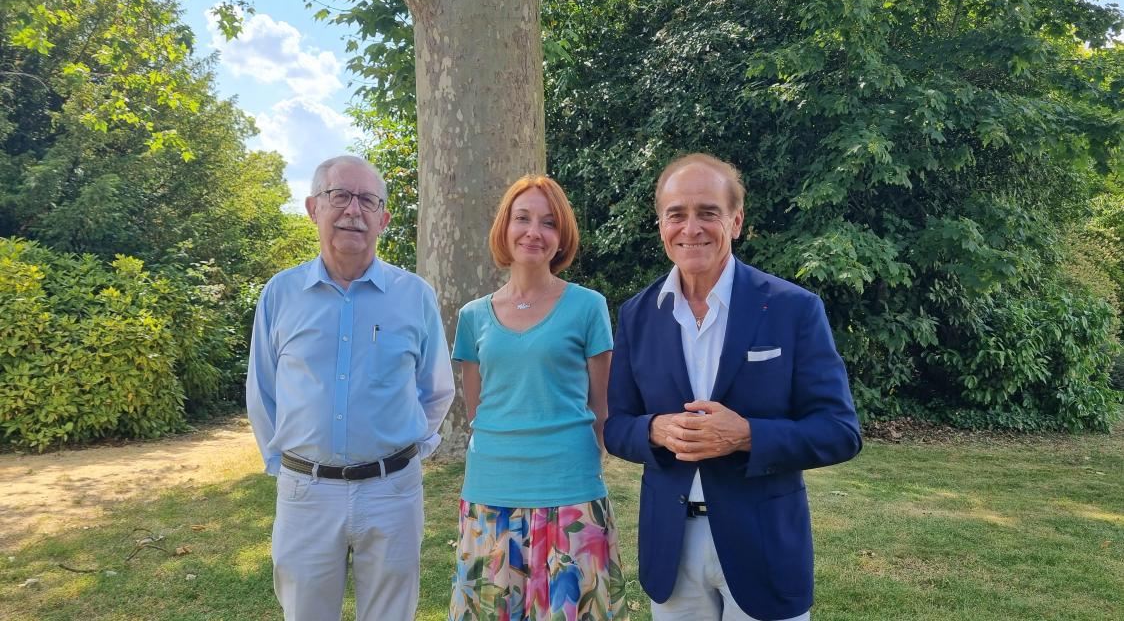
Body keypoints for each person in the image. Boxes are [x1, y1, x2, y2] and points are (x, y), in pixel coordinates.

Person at [604, 153, 862, 621]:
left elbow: (840, 431)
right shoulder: (637, 315)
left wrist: (746, 435)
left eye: (708, 212)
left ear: (736, 221)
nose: (691, 228)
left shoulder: (793, 309)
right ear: (661, 225)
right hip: (671, 548)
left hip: (763, 543)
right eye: (676, 214)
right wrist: (656, 430)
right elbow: (617, 426)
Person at [246, 155, 455, 621]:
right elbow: (263, 392)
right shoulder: (280, 294)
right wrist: (285, 468)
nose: (352, 210)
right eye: (339, 195)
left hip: (392, 491)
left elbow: (436, 389)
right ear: (312, 208)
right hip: (306, 492)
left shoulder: (414, 295)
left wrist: (405, 455)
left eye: (367, 199)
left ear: (383, 217)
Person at [448, 175, 629, 621]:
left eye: (549, 222)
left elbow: (601, 409)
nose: (534, 231)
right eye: (522, 218)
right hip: (490, 496)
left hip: (571, 494)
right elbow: (477, 410)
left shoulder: (588, 307)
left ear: (561, 236)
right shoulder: (472, 317)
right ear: (504, 229)